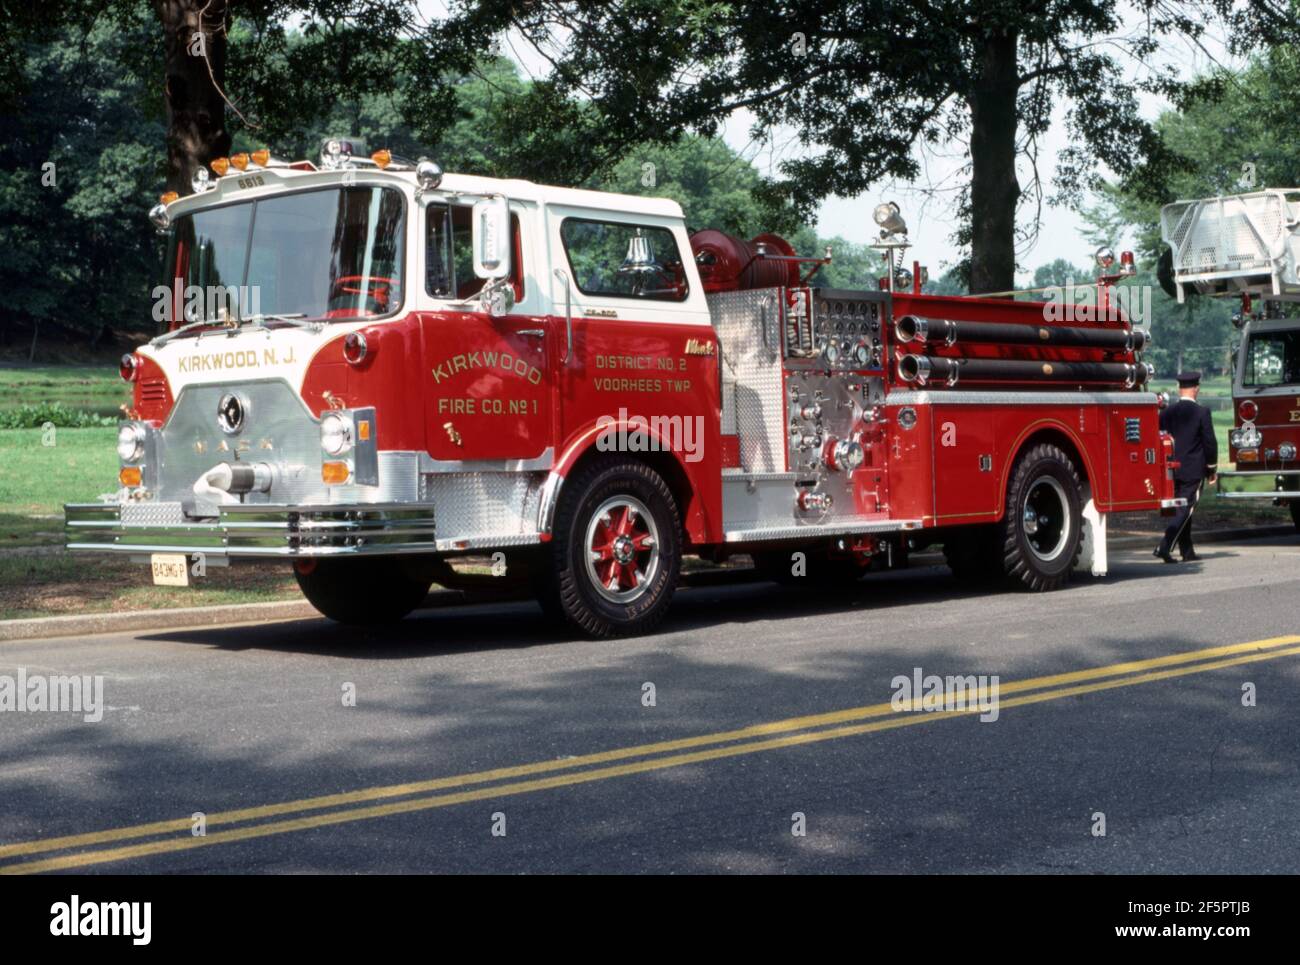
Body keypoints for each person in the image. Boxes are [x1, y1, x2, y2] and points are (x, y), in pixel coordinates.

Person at [1154, 371, 1218, 563]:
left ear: (1178, 388)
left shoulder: (1166, 413)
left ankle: (1187, 551)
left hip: (1172, 469)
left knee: (1182, 508)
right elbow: (1209, 443)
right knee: (1186, 509)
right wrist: (1211, 468)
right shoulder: (1202, 412)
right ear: (1196, 388)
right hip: (1193, 469)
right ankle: (1165, 546)